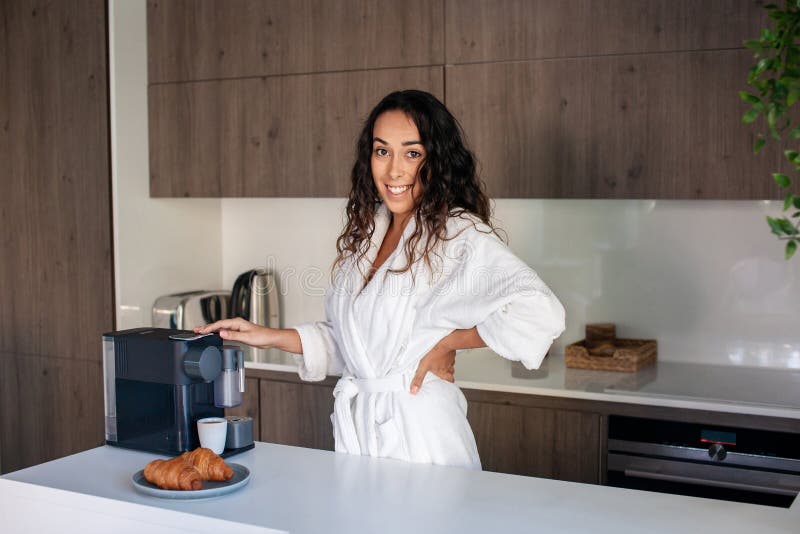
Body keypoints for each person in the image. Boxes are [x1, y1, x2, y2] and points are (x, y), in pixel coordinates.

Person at [196, 90, 566, 469]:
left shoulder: (455, 233)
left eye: (412, 153)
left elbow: (541, 313)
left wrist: (449, 342)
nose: (393, 171)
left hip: (424, 442)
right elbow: (357, 348)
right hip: (364, 441)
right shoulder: (371, 231)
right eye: (382, 151)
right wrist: (266, 334)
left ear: (436, 159)